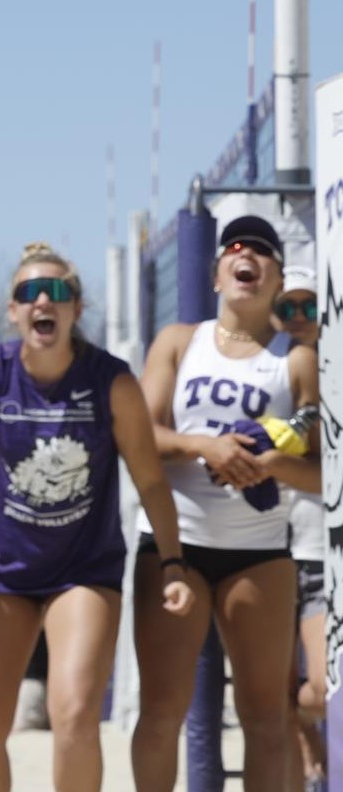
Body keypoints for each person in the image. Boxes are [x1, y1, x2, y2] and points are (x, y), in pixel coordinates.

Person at [0, 242, 192, 791]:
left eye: (59, 291)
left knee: (73, 719)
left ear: (76, 310)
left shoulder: (110, 381)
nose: (44, 299)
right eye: (29, 292)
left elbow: (151, 480)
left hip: (84, 571)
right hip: (2, 571)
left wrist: (174, 564)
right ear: (14, 311)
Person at [131, 215, 318, 791]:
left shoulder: (297, 358)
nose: (249, 256)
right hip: (173, 542)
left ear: (278, 278)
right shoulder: (179, 341)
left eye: (263, 252)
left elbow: (321, 477)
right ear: (216, 274)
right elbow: (140, 436)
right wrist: (203, 444)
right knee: (163, 713)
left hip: (258, 550)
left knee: (268, 716)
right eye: (236, 247)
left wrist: (267, 463)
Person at [275, 264, 326, 789]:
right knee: (274, 697)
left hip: (319, 553)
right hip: (265, 546)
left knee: (319, 687)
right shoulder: (260, 368)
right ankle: (312, 772)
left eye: (308, 306)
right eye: (285, 307)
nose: (296, 318)